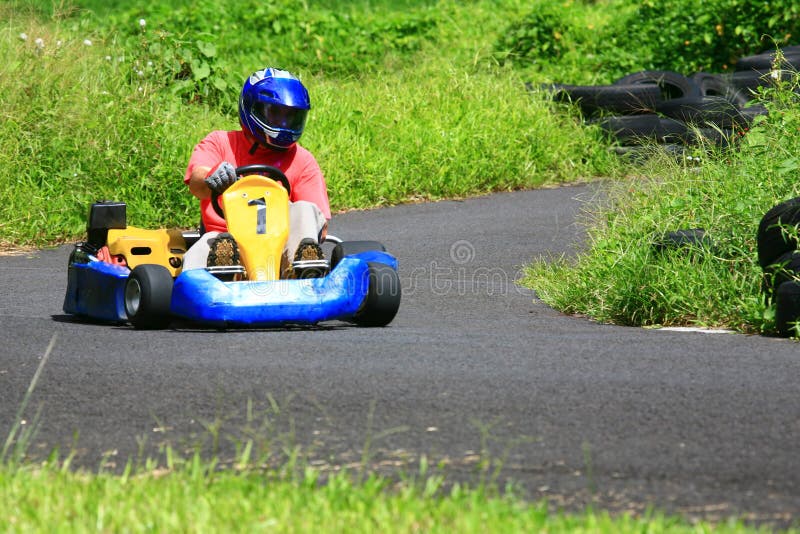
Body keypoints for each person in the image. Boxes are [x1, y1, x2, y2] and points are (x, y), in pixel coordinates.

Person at [181, 67, 330, 277]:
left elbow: (320, 226)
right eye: (276, 114)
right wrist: (212, 177)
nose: (284, 124)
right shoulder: (220, 143)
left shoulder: (302, 160)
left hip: (280, 250)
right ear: (252, 109)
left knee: (305, 209)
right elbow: (197, 181)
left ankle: (303, 271)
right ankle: (220, 275)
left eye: (291, 116)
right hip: (225, 238)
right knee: (206, 246)